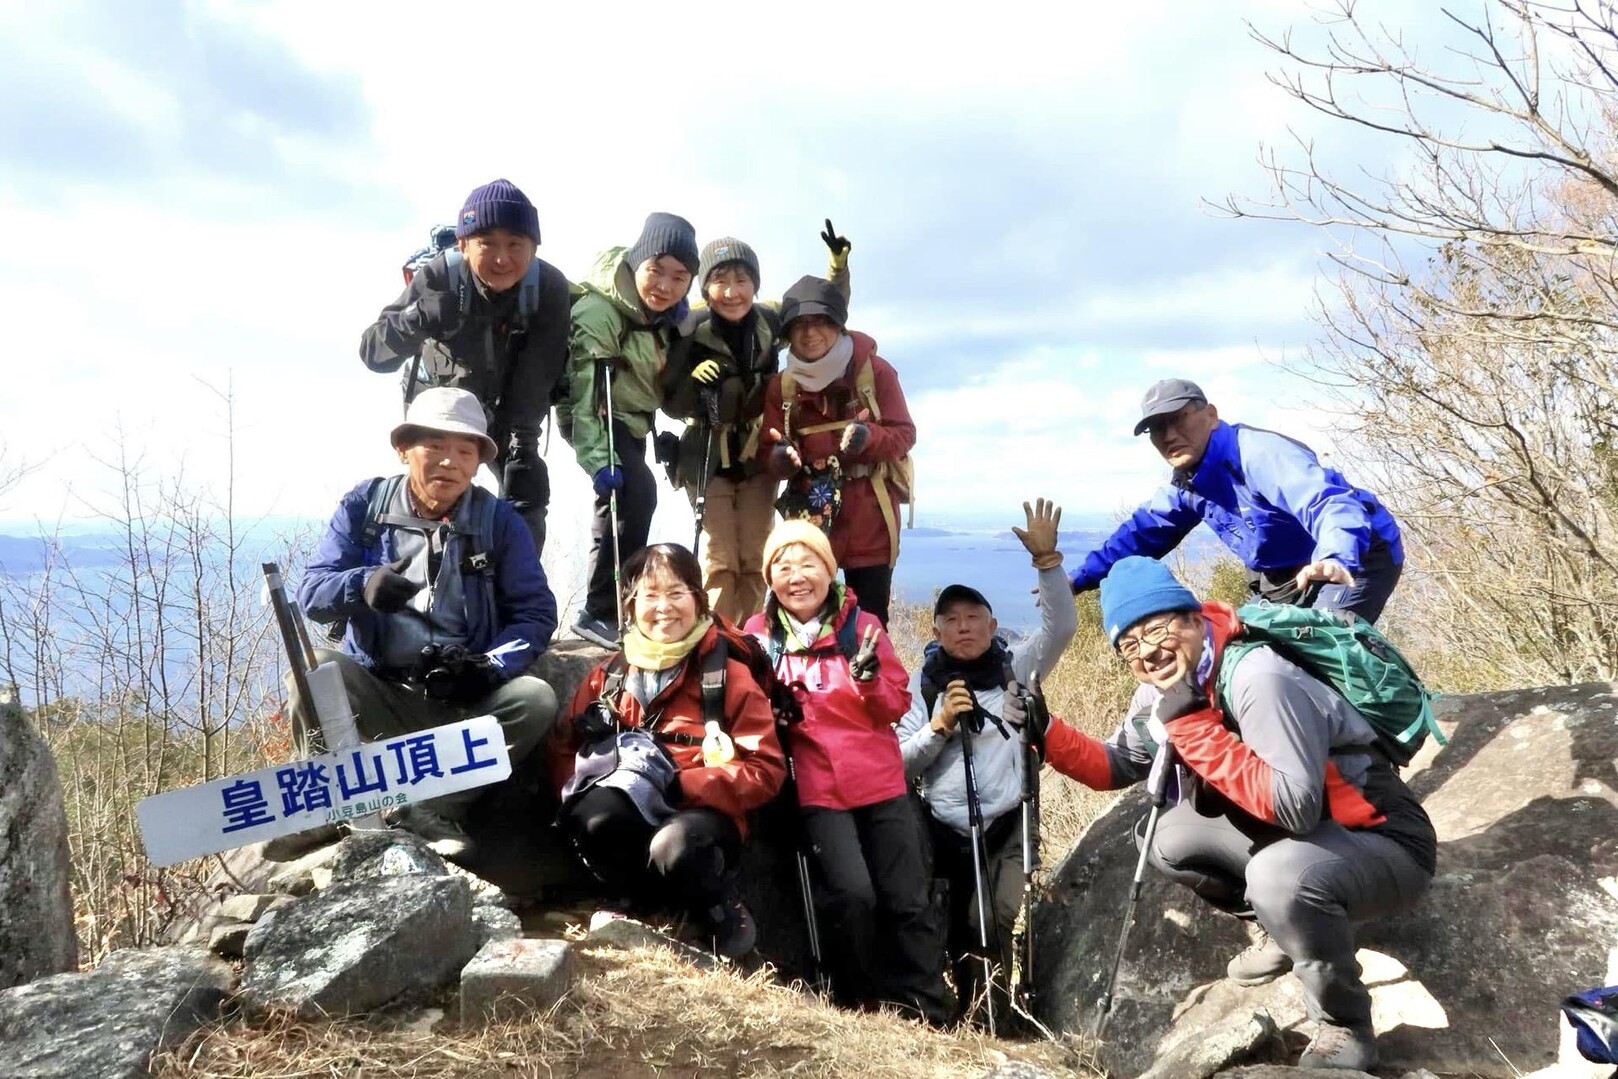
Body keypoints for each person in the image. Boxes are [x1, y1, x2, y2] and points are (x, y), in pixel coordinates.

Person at [1034, 555, 1436, 1070]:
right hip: (1313, 839)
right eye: (1129, 645)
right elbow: (1114, 765)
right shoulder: (1173, 690)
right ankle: (1285, 927)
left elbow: (1295, 807)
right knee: (1163, 837)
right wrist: (1045, 731)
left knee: (1277, 877)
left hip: (1378, 838)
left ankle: (1344, 1024)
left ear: (1193, 618)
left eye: (1157, 628)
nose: (1149, 651)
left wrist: (1194, 728)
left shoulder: (1257, 677)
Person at [293, 387, 560, 860]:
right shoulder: (366, 506)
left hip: (460, 707)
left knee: (534, 699)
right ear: (403, 449)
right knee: (316, 668)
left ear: (479, 461)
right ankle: (330, 801)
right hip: (381, 696)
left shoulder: (498, 521)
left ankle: (427, 807)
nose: (449, 462)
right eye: (434, 446)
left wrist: (488, 667)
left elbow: (535, 613)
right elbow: (312, 594)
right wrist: (363, 583)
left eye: (464, 450)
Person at [742, 519, 948, 1025]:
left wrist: (868, 681)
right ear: (770, 578)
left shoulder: (862, 626)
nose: (797, 576)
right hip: (817, 788)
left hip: (880, 781)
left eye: (808, 563)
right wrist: (775, 711)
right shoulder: (759, 637)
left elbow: (895, 704)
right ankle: (861, 1001)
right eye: (783, 566)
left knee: (907, 899)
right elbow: (746, 709)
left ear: (829, 571)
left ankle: (928, 1008)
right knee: (853, 896)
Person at [547, 543, 786, 958]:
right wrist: (584, 791)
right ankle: (634, 897)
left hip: (703, 813)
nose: (664, 608)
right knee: (594, 816)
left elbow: (766, 769)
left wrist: (682, 784)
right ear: (631, 604)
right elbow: (564, 749)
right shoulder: (611, 675)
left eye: (677, 594)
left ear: (698, 600)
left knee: (675, 847)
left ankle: (714, 907)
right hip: (631, 809)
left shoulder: (727, 675)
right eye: (650, 595)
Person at [896, 499, 1076, 1027]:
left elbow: (1061, 627)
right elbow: (899, 767)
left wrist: (1048, 564)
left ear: (993, 624)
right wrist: (938, 729)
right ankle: (972, 1015)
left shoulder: (1015, 667)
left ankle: (995, 1014)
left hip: (1009, 818)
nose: (964, 627)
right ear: (935, 633)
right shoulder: (918, 689)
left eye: (974, 617)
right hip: (944, 825)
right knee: (948, 922)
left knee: (991, 916)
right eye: (951, 620)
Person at [1069, 378, 1404, 623]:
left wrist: (1335, 554)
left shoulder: (1258, 455)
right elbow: (1141, 534)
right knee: (1244, 654)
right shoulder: (1188, 485)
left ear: (1211, 415)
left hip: (1353, 556)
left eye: (1178, 419)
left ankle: (1399, 715)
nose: (1169, 435)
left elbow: (1327, 502)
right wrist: (1076, 580)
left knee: (1325, 647)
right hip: (1285, 575)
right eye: (1157, 429)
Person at [360, 179, 571, 556]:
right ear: (463, 244)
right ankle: (424, 591)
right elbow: (373, 353)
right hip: (441, 416)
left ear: (534, 248)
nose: (502, 258)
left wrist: (523, 442)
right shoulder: (440, 276)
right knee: (436, 502)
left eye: (515, 244)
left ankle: (515, 598)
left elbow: (539, 371)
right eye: (486, 242)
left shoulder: (549, 288)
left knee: (528, 500)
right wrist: (417, 318)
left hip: (509, 413)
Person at [661, 222, 851, 623]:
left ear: (755, 284)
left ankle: (751, 641)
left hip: (757, 455)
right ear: (705, 288)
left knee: (755, 555)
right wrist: (694, 382)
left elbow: (821, 310)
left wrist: (837, 268)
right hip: (707, 454)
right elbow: (670, 400)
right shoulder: (688, 328)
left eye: (742, 279)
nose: (732, 292)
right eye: (720, 281)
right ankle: (718, 641)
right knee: (719, 559)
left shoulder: (769, 320)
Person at [565, 213, 701, 647]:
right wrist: (597, 458)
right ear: (636, 263)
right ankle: (598, 609)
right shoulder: (601, 310)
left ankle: (617, 607)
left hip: (634, 423)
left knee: (630, 503)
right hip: (598, 417)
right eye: (655, 270)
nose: (664, 284)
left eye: (679, 276)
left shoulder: (669, 319)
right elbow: (584, 392)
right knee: (634, 494)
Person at [760, 276, 915, 628]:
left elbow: (904, 434)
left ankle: (870, 684)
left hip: (869, 516)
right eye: (798, 325)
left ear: (838, 324)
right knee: (803, 618)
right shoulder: (782, 386)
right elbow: (768, 451)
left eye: (820, 322)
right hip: (809, 517)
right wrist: (779, 459)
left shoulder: (874, 372)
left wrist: (868, 439)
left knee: (871, 621)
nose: (810, 333)